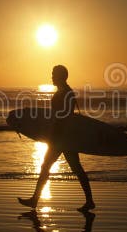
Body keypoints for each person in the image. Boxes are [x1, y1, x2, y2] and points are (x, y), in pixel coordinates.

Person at [18, 65, 96, 212]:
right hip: (62, 137)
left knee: (50, 166)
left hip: (62, 138)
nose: (52, 77)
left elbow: (64, 116)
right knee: (71, 168)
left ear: (61, 76)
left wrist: (53, 134)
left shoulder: (66, 92)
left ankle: (35, 199)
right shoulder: (64, 91)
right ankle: (89, 201)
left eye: (54, 74)